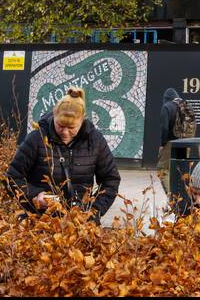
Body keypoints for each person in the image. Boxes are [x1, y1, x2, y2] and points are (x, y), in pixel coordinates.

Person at [6, 88, 121, 221]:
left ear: (82, 120)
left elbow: (110, 180)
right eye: (60, 125)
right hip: (39, 220)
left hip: (80, 223)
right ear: (54, 114)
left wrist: (94, 212)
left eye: (72, 128)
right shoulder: (36, 139)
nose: (65, 132)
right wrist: (34, 195)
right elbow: (12, 177)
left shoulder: (95, 141)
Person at [158, 87, 182, 184]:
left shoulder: (167, 107)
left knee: (163, 170)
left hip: (170, 144)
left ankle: (171, 196)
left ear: (166, 98)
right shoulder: (185, 106)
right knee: (180, 171)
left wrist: (163, 144)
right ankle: (181, 197)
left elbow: (164, 128)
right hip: (185, 144)